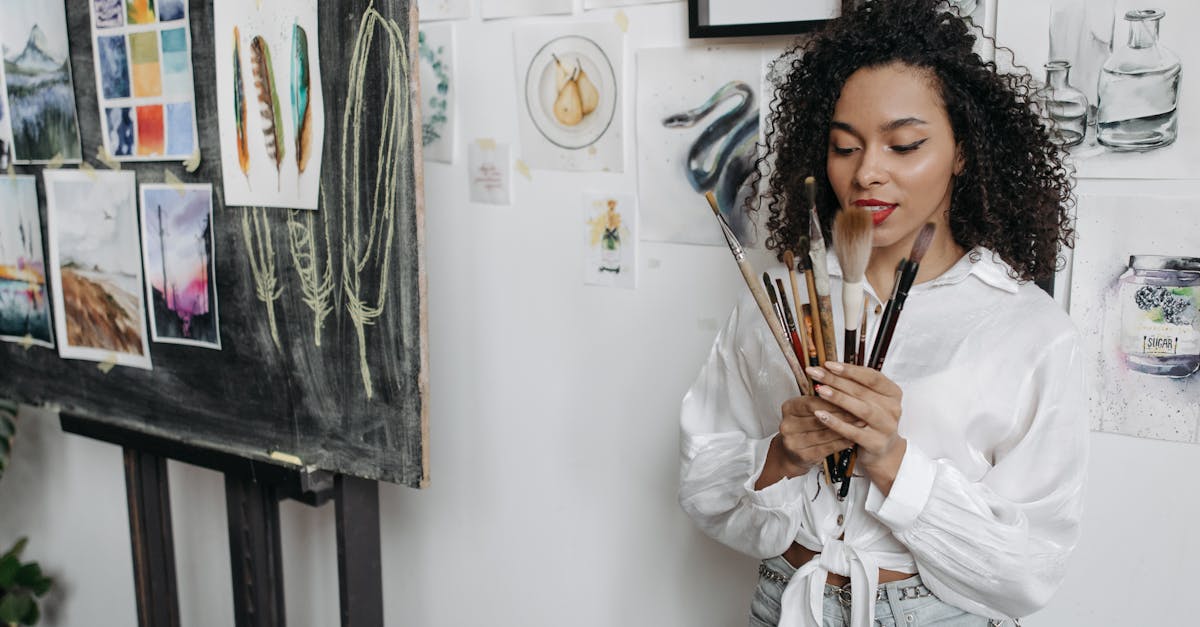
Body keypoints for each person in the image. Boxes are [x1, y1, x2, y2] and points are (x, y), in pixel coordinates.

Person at [677, 2, 1087, 626]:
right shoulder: (776, 300)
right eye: (845, 147)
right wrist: (783, 457)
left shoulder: (1028, 331)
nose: (867, 172)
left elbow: (1029, 571)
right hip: (785, 601)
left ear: (963, 152)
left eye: (905, 145)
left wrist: (890, 459)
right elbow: (703, 488)